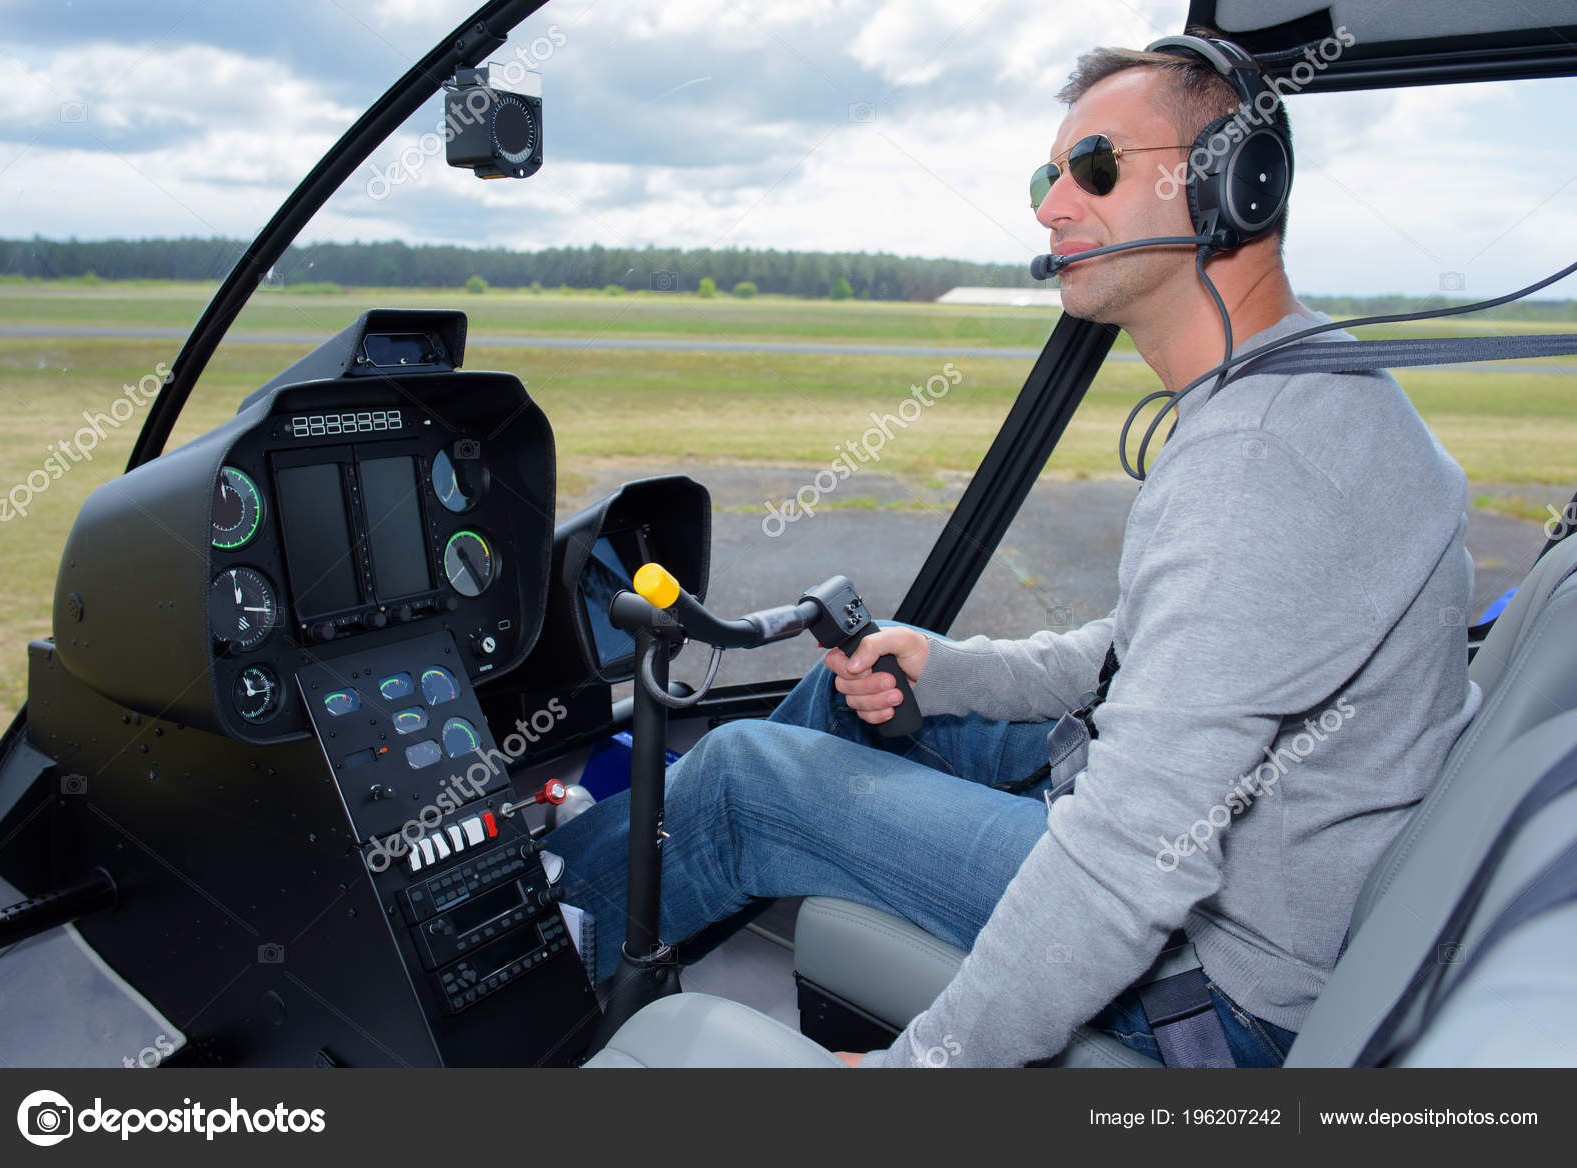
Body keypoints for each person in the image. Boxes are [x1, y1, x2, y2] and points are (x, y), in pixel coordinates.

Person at [544, 37, 1483, 1067]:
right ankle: (596, 862)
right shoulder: (1313, 386)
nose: (1048, 207)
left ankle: (541, 936)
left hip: (1223, 978)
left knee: (744, 774)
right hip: (1254, 873)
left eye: (1095, 168)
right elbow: (1131, 651)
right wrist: (948, 670)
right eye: (1047, 177)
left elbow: (1128, 863)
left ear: (1231, 184)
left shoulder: (1256, 463)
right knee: (842, 693)